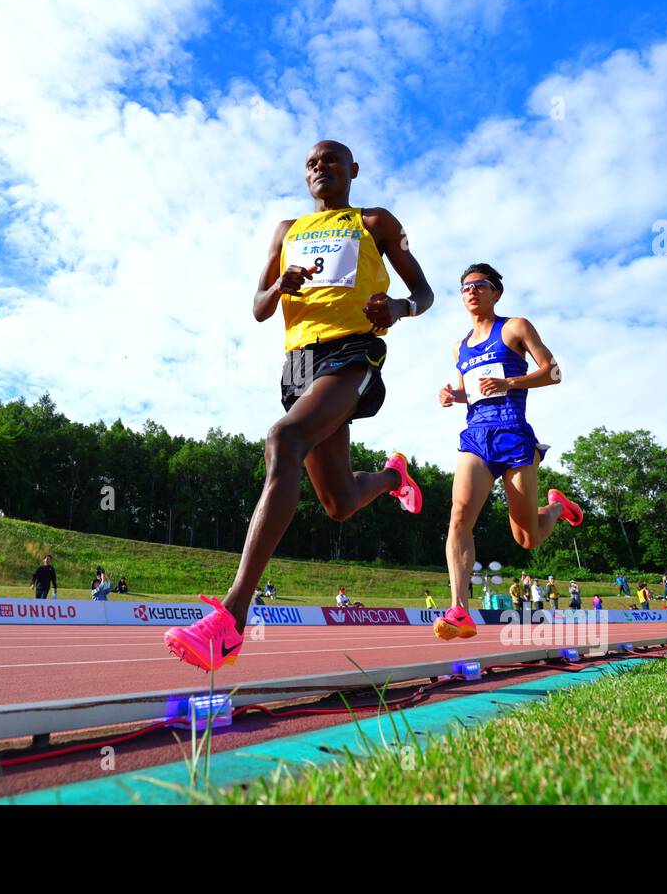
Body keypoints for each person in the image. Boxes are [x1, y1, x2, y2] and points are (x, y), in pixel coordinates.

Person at [166, 140, 434, 671]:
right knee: (337, 503)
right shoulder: (285, 231)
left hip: (354, 351)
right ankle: (390, 477)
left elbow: (423, 291)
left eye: (331, 160)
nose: (320, 168)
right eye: (311, 162)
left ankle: (230, 620)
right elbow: (259, 308)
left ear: (352, 170)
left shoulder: (376, 221)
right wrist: (280, 285)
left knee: (282, 439)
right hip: (298, 366)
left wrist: (399, 307)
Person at [431, 263, 582, 642]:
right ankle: (459, 609)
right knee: (459, 514)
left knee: (526, 539)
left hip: (513, 434)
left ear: (495, 292)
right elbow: (480, 391)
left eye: (479, 285)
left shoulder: (515, 327)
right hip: (476, 436)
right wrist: (455, 395)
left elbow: (554, 372)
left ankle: (558, 508)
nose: (471, 291)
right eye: (465, 287)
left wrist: (510, 381)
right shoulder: (459, 346)